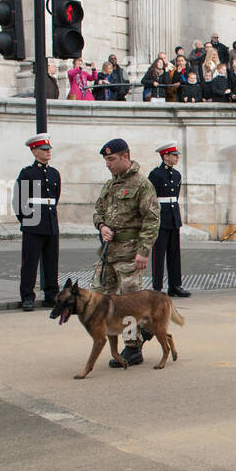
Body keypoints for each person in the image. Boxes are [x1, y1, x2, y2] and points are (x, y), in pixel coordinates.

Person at [92, 138, 160, 368]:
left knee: (129, 303)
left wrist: (144, 251)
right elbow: (98, 212)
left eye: (111, 159)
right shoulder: (109, 185)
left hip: (130, 253)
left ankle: (133, 348)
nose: (108, 164)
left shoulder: (142, 184)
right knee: (99, 299)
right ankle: (142, 328)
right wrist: (101, 227)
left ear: (125, 156)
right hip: (108, 253)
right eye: (106, 160)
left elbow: (152, 219)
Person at [12, 133, 60, 312]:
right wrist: (25, 220)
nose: (48, 152)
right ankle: (27, 296)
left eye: (48, 149)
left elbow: (55, 198)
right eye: (43, 149)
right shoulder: (27, 173)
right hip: (33, 221)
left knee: (51, 261)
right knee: (30, 262)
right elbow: (19, 200)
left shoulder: (54, 173)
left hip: (50, 221)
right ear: (34, 151)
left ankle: (51, 294)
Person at [148, 142, 190, 298]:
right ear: (165, 156)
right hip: (160, 217)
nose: (177, 157)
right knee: (159, 254)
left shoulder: (177, 175)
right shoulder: (156, 174)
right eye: (174, 155)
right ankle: (157, 287)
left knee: (174, 253)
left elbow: (175, 196)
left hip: (173, 217)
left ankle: (175, 285)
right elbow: (151, 198)